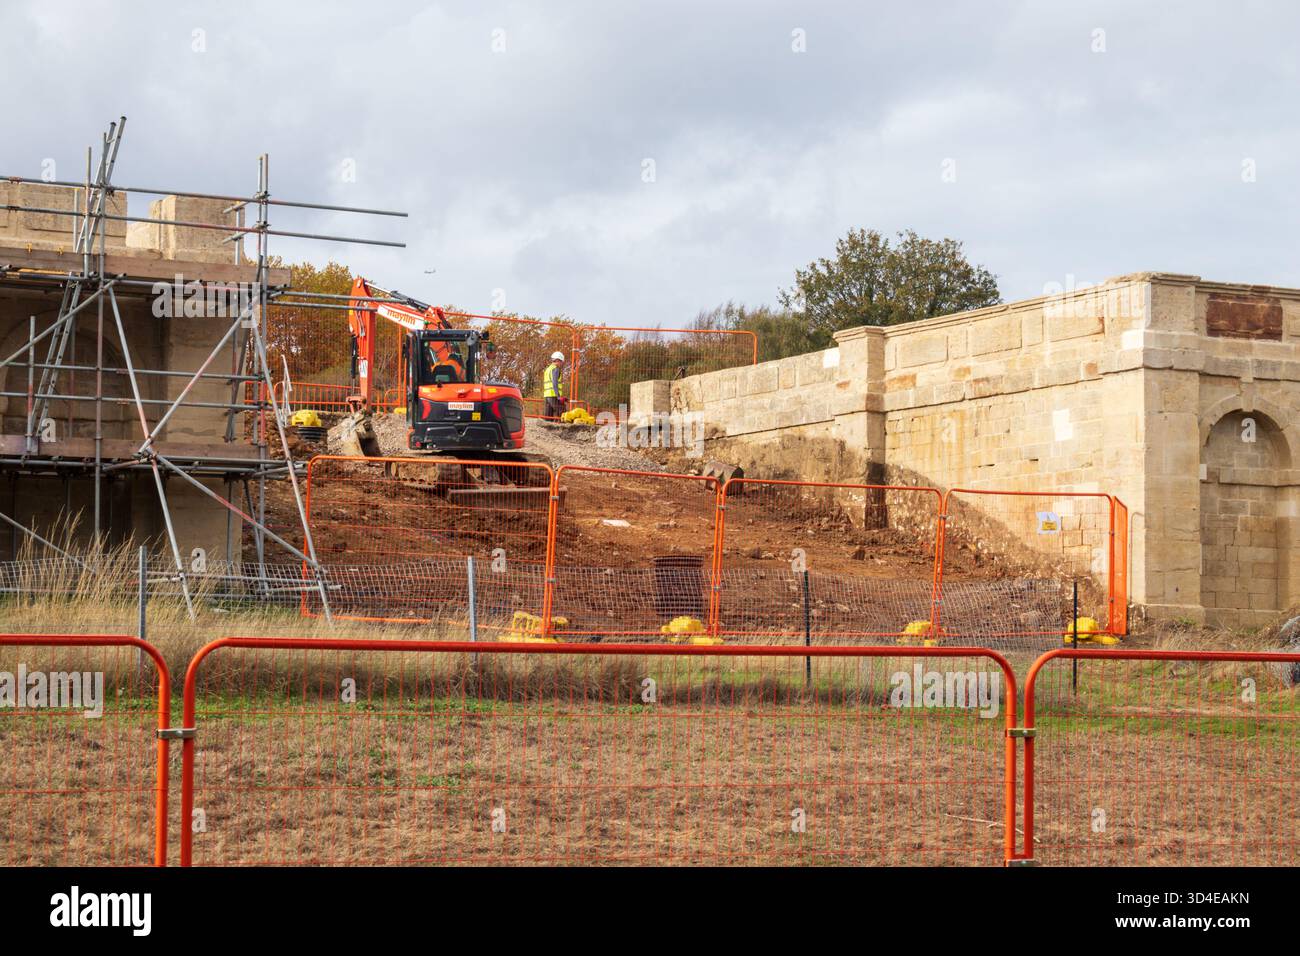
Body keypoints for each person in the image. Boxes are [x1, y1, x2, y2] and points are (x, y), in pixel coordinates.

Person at [542, 350, 567, 419]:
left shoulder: (548, 369)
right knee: (564, 414)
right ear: (558, 360)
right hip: (554, 396)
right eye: (561, 362)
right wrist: (558, 396)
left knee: (548, 417)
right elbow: (554, 383)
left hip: (547, 396)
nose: (562, 364)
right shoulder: (556, 369)